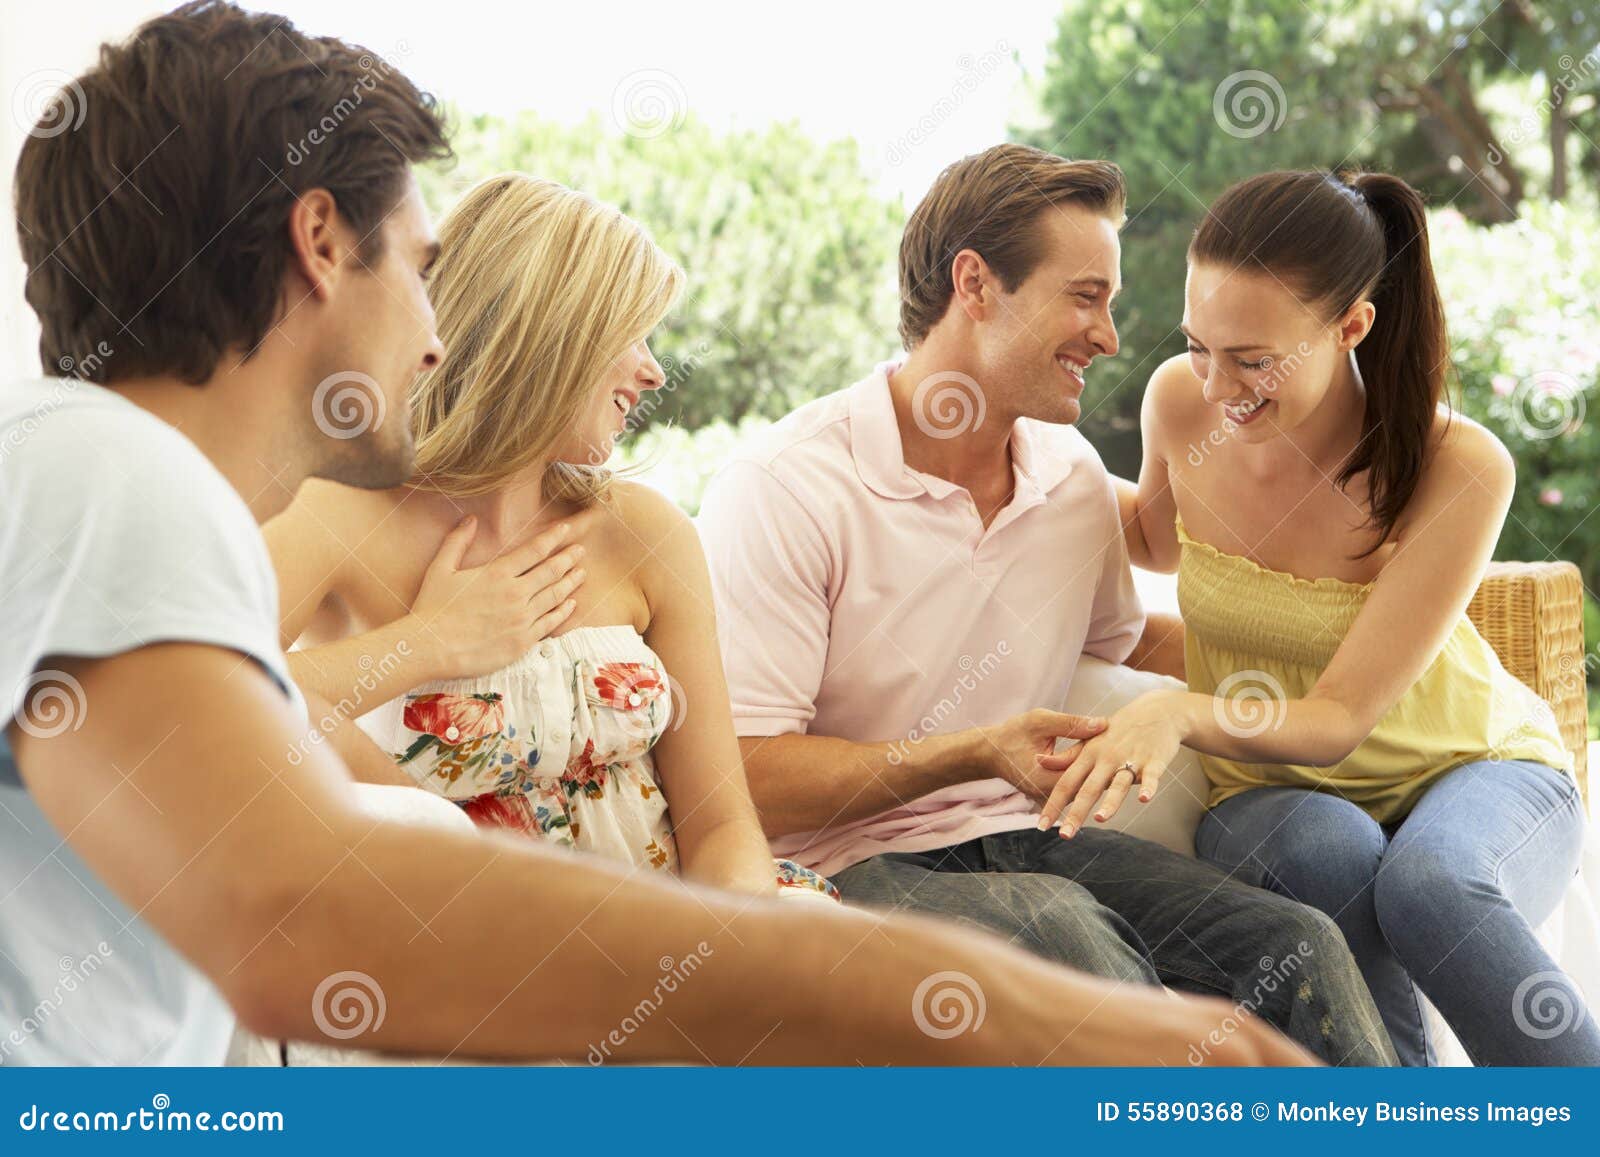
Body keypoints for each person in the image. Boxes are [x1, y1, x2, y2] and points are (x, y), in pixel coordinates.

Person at [0, 1, 1312, 1067]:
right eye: (414, 262)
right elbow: (303, 920)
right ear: (317, 243)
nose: (439, 332)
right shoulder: (109, 469)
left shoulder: (121, 497)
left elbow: (362, 854)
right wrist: (989, 1002)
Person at [696, 143, 1395, 1066]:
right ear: (975, 284)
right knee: (1072, 941)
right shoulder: (790, 485)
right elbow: (742, 770)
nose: (1110, 336)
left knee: (1297, 943)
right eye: (1085, 296)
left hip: (1030, 838)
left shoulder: (1065, 476)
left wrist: (1364, 675)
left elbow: (1136, 639)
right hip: (848, 867)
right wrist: (976, 750)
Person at [1047, 168, 1597, 1066]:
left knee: (1433, 887)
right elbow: (1153, 536)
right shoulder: (1182, 403)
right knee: (1322, 854)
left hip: (1475, 766)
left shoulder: (1457, 463)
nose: (1218, 385)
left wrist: (1177, 708)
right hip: (1272, 790)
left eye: (1254, 360)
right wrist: (1018, 451)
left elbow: (1339, 721)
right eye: (1198, 345)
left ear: (1352, 326)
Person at [265, 172, 837, 904]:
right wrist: (431, 641)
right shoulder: (331, 513)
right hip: (476, 955)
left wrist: (725, 954)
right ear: (549, 333)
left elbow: (721, 823)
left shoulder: (646, 531)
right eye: (631, 335)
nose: (653, 370)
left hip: (679, 939)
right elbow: (214, 700)